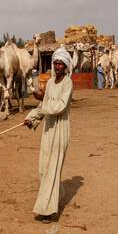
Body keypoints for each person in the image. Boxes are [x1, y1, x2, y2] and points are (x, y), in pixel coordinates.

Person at [24, 47, 73, 221]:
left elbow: (59, 106)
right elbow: (42, 108)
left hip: (60, 129)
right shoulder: (51, 83)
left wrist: (42, 100)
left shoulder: (67, 83)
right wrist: (32, 119)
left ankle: (48, 210)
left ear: (66, 66)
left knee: (52, 168)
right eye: (56, 63)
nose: (58, 66)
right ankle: (58, 194)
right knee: (45, 167)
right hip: (48, 130)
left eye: (61, 64)